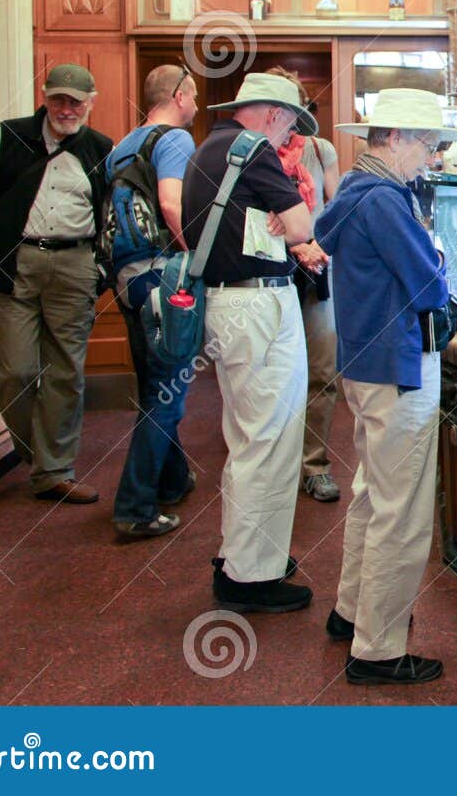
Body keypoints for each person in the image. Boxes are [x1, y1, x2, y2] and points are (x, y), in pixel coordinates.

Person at [316, 88, 457, 686]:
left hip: (364, 362)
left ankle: (351, 611)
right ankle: (377, 649)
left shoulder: (355, 190)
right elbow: (429, 285)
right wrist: (439, 258)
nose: (432, 158)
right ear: (396, 138)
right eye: (428, 145)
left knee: (371, 494)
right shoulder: (386, 199)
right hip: (399, 366)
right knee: (401, 511)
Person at [181, 72, 315, 613]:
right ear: (274, 114)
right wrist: (289, 217)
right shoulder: (253, 149)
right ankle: (250, 577)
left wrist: (276, 216)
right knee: (270, 438)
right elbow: (302, 226)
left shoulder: (207, 148)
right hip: (258, 304)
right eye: (290, 124)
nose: (289, 136)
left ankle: (244, 554)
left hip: (227, 302)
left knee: (247, 435)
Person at [0, 64, 113, 504]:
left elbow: (109, 212)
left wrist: (103, 268)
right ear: (44, 97)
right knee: (13, 372)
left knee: (66, 371)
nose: (67, 109)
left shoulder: (100, 149)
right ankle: (38, 453)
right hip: (14, 262)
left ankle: (53, 471)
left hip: (75, 264)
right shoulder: (8, 137)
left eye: (76, 102)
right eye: (58, 99)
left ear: (91, 102)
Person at [107, 65, 200, 538]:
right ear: (179, 96)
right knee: (167, 394)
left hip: (127, 279)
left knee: (155, 386)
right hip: (162, 277)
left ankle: (173, 479)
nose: (197, 106)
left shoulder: (123, 145)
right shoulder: (175, 139)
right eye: (194, 97)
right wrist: (196, 256)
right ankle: (135, 509)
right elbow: (170, 203)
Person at [260, 67, 342, 505]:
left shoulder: (320, 149)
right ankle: (276, 464)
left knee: (322, 370)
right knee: (272, 372)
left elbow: (335, 210)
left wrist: (314, 245)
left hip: (314, 272)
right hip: (267, 274)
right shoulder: (255, 152)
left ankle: (314, 465)